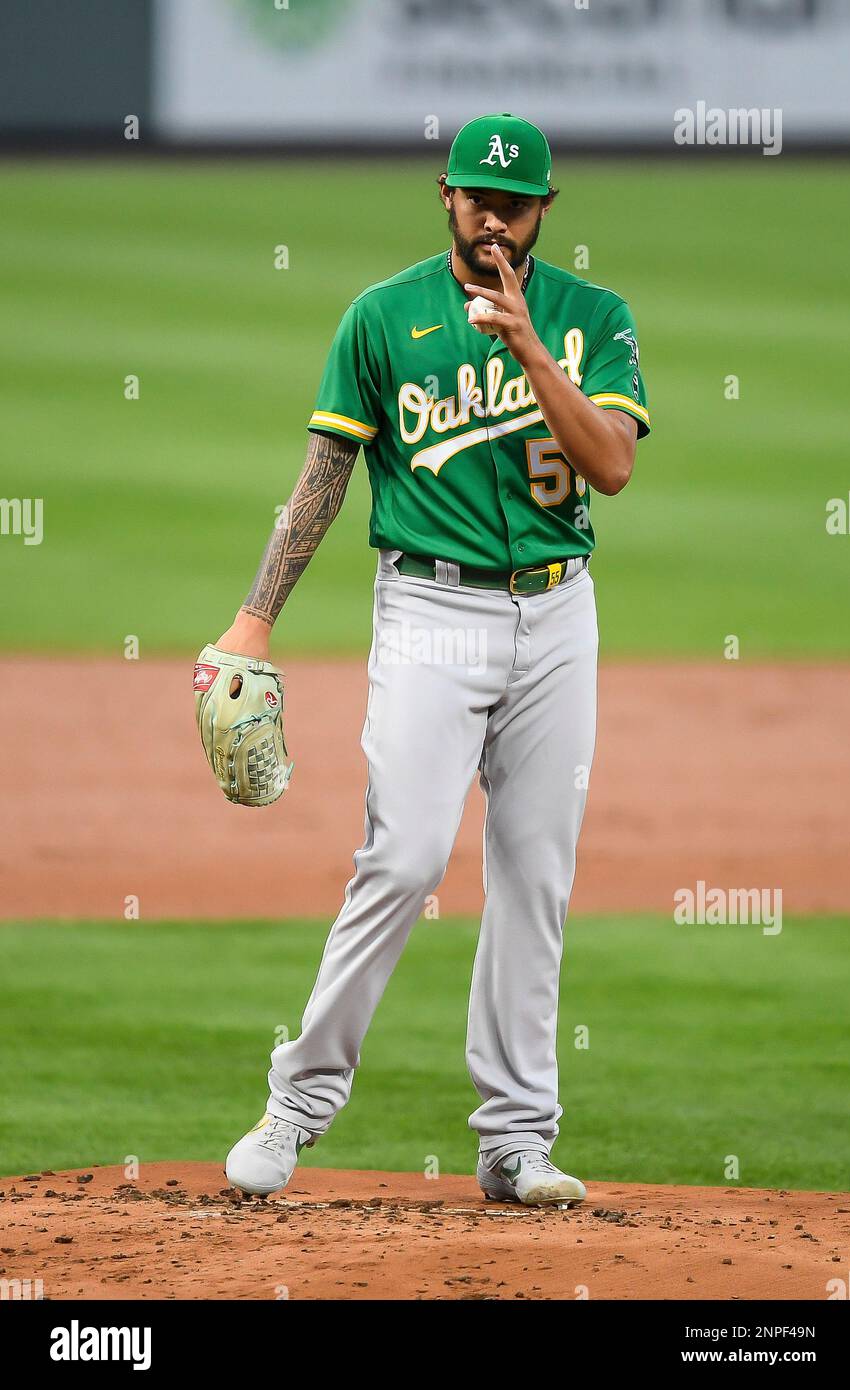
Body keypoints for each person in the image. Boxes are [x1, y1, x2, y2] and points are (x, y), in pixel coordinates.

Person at [217, 113, 650, 1206]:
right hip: (428, 608)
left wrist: (525, 346)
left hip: (558, 614)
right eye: (474, 197)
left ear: (546, 210)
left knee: (532, 875)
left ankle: (514, 1141)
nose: (492, 216)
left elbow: (609, 467)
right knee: (404, 859)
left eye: (513, 201)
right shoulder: (382, 317)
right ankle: (294, 1108)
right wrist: (254, 618)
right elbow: (322, 475)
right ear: (443, 196)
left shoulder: (592, 319)